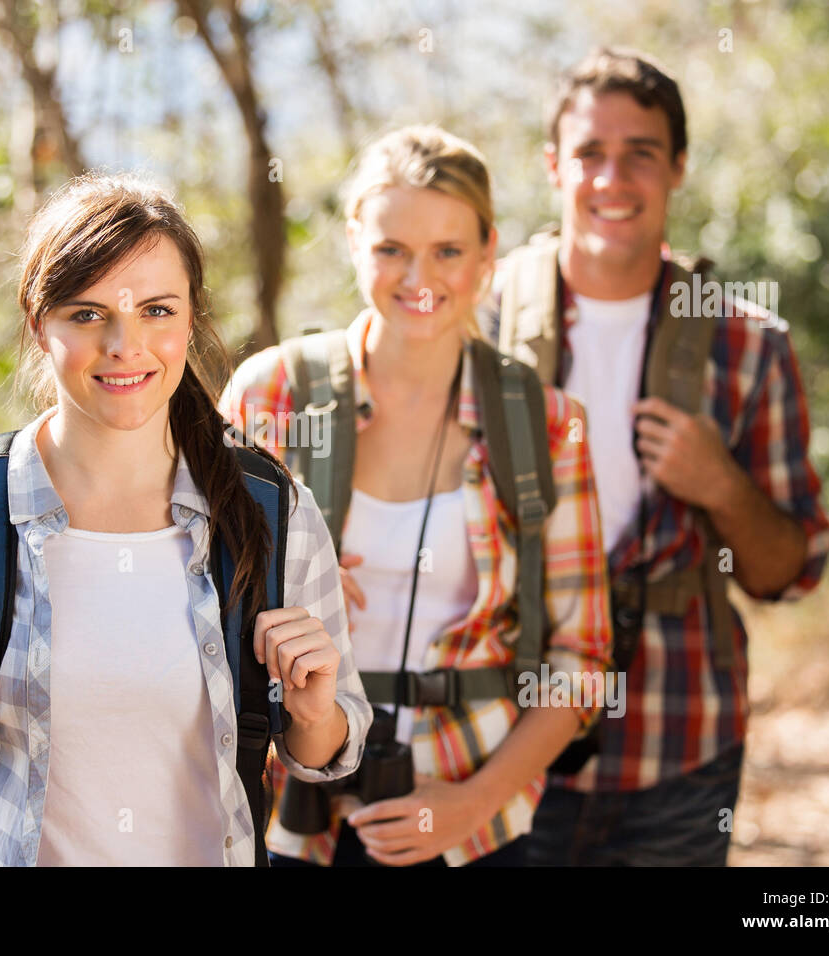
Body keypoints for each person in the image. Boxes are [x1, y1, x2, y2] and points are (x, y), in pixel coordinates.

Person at [0, 173, 370, 866]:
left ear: (190, 318)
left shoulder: (273, 510)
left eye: (156, 311)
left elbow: (330, 747)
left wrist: (315, 711)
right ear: (38, 323)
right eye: (88, 315)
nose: (126, 346)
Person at [222, 126, 612, 866]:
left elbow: (582, 657)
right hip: (287, 801)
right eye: (391, 249)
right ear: (353, 242)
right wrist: (271, 587)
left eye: (448, 251)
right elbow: (187, 587)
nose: (420, 278)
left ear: (489, 251)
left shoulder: (546, 424)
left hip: (474, 806)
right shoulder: (270, 393)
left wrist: (476, 801)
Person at [485, 48, 829, 865]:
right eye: (590, 154)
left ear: (677, 167)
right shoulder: (479, 318)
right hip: (495, 740)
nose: (613, 178)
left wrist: (722, 487)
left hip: (679, 748)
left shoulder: (749, 342)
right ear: (552, 167)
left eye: (640, 153)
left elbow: (788, 571)